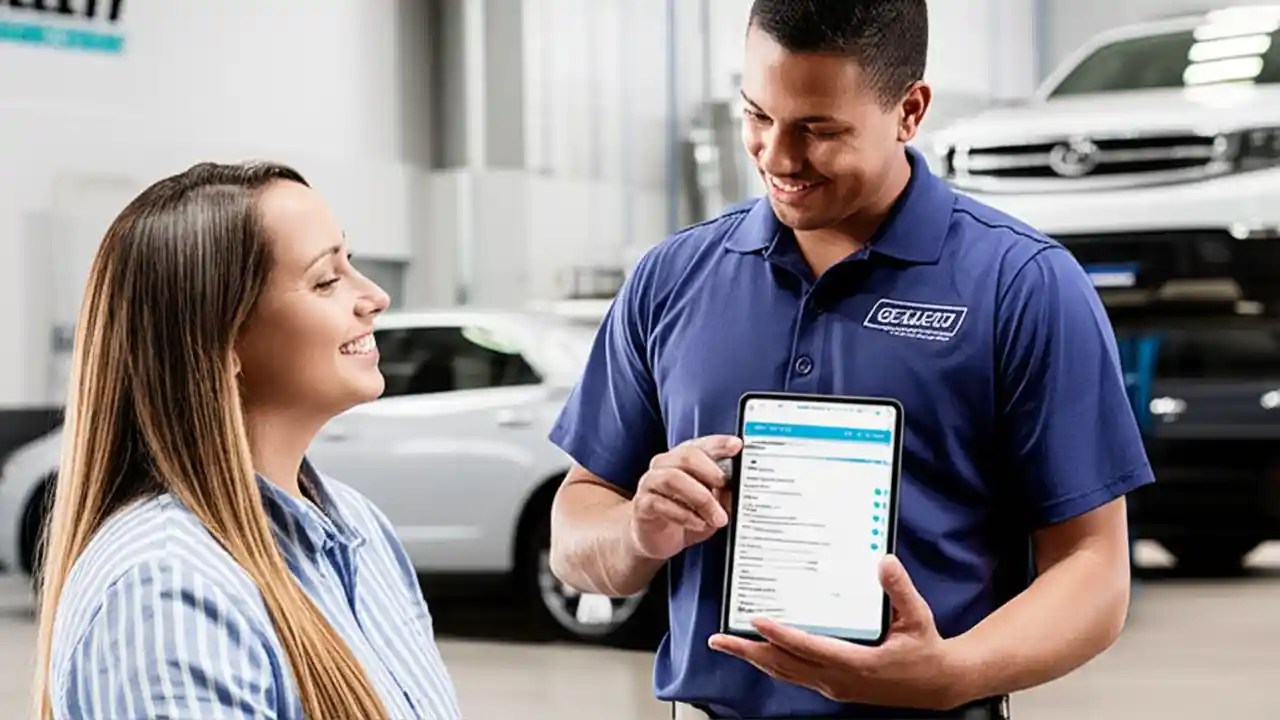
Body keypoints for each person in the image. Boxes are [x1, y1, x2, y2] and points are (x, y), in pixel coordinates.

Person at [547, 1, 1154, 718]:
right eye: (757, 115)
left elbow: (1094, 568)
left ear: (910, 111)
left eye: (818, 130)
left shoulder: (1022, 285)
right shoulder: (672, 279)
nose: (776, 157)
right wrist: (636, 533)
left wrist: (951, 671)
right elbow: (575, 530)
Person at [31, 162, 463, 720]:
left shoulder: (360, 531)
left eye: (349, 263)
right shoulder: (166, 592)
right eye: (326, 280)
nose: (375, 297)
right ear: (225, 340)